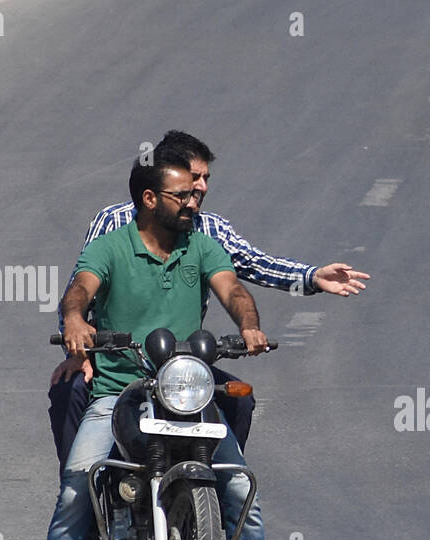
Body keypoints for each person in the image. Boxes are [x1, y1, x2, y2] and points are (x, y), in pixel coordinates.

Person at [2, 149, 302, 540]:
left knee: (238, 491)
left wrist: (249, 326)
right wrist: (76, 322)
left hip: (186, 393)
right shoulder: (112, 246)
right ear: (149, 198)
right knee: (78, 484)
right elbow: (81, 288)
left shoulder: (202, 247)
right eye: (181, 194)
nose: (192, 201)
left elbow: (232, 290)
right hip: (119, 392)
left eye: (193, 192)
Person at [48, 129, 369, 463]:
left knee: (239, 402)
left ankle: (216, 487)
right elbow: (79, 289)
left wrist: (312, 277)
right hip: (114, 360)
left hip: (180, 365)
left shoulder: (208, 231)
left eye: (204, 179)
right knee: (69, 395)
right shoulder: (113, 223)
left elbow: (251, 268)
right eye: (192, 179)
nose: (199, 188)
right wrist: (79, 349)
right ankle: (86, 498)